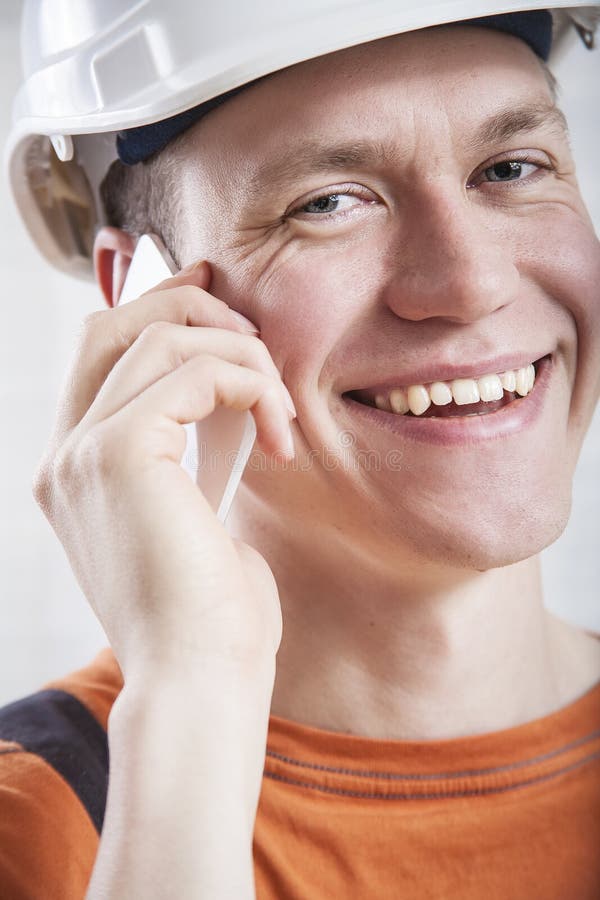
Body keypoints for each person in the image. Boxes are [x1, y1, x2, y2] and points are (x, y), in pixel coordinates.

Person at [1, 1, 600, 897]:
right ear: (145, 298)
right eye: (327, 203)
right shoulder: (35, 829)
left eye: (511, 168)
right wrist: (192, 697)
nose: (471, 284)